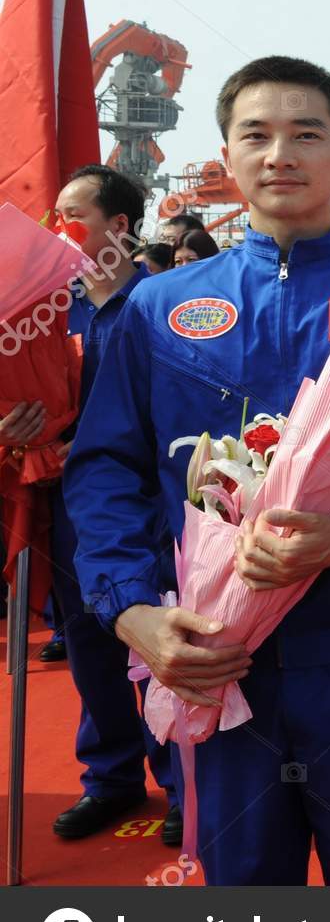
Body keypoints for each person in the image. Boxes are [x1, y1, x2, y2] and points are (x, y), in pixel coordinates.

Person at [66, 55, 330, 885]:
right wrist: (131, 613)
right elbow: (106, 465)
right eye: (255, 135)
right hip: (218, 654)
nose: (280, 154)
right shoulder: (158, 306)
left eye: (307, 134)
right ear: (227, 159)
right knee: (244, 890)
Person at [0, 166, 184, 845]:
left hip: (154, 509)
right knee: (88, 648)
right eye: (52, 216)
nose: (56, 229)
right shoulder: (49, 310)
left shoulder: (165, 302)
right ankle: (110, 777)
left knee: (156, 644)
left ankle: (181, 782)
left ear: (120, 228)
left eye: (72, 215)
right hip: (74, 511)